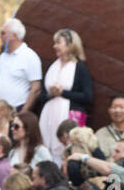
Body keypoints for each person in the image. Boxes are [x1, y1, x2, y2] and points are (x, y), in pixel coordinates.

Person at [39, 28, 93, 161]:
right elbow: (41, 96)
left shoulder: (79, 68)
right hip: (49, 113)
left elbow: (87, 96)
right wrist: (51, 94)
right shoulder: (52, 67)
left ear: (70, 45)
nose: (55, 46)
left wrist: (63, 92)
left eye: (58, 43)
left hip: (68, 115)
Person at [0, 17, 42, 114]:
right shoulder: (3, 56)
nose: (0, 36)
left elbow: (36, 88)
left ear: (13, 36)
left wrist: (23, 112)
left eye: (3, 33)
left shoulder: (30, 56)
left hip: (17, 109)